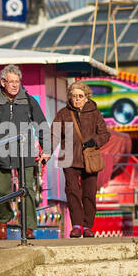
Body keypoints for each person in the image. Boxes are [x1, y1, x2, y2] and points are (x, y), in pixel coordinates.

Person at [0, 64, 48, 240]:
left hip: (25, 151)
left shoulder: (29, 101)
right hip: (1, 151)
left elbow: (41, 125)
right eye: (11, 82)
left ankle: (28, 226)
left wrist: (46, 149)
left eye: (17, 81)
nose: (15, 85)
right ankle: (2, 220)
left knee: (27, 190)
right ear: (3, 83)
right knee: (2, 190)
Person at [51, 81, 110, 238]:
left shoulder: (94, 113)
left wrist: (95, 142)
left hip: (89, 157)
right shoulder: (63, 113)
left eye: (80, 96)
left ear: (86, 97)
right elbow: (54, 135)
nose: (77, 99)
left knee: (89, 194)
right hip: (68, 157)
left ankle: (87, 226)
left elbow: (105, 134)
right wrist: (46, 153)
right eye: (74, 96)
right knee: (72, 191)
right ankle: (76, 225)